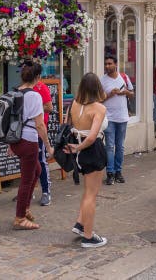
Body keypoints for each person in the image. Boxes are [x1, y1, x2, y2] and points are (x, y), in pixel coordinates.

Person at [66, 73, 110, 248]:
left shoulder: (74, 104)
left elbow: (67, 124)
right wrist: (80, 147)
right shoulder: (98, 108)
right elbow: (92, 137)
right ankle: (89, 236)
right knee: (92, 195)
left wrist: (75, 148)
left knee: (87, 191)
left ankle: (80, 223)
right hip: (91, 149)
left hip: (79, 149)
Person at [9, 63, 55, 230]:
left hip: (16, 140)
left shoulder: (14, 92)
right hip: (29, 141)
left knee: (37, 170)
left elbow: (12, 119)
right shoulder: (35, 96)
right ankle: (20, 217)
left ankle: (25, 207)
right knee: (27, 181)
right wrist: (49, 146)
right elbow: (40, 125)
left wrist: (10, 144)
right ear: (37, 78)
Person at [101, 56, 134, 185]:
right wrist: (110, 94)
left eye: (109, 63)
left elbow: (132, 93)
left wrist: (125, 92)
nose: (107, 66)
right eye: (106, 64)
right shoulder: (102, 80)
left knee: (120, 146)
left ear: (116, 64)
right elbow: (98, 99)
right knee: (109, 146)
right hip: (109, 117)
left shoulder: (124, 77)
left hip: (122, 117)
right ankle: (110, 173)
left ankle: (118, 171)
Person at [31, 63, 54, 207]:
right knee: (27, 162)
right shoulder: (24, 88)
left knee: (41, 160)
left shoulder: (42, 87)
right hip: (26, 131)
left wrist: (33, 108)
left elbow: (49, 107)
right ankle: (28, 191)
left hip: (39, 129)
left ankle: (46, 192)